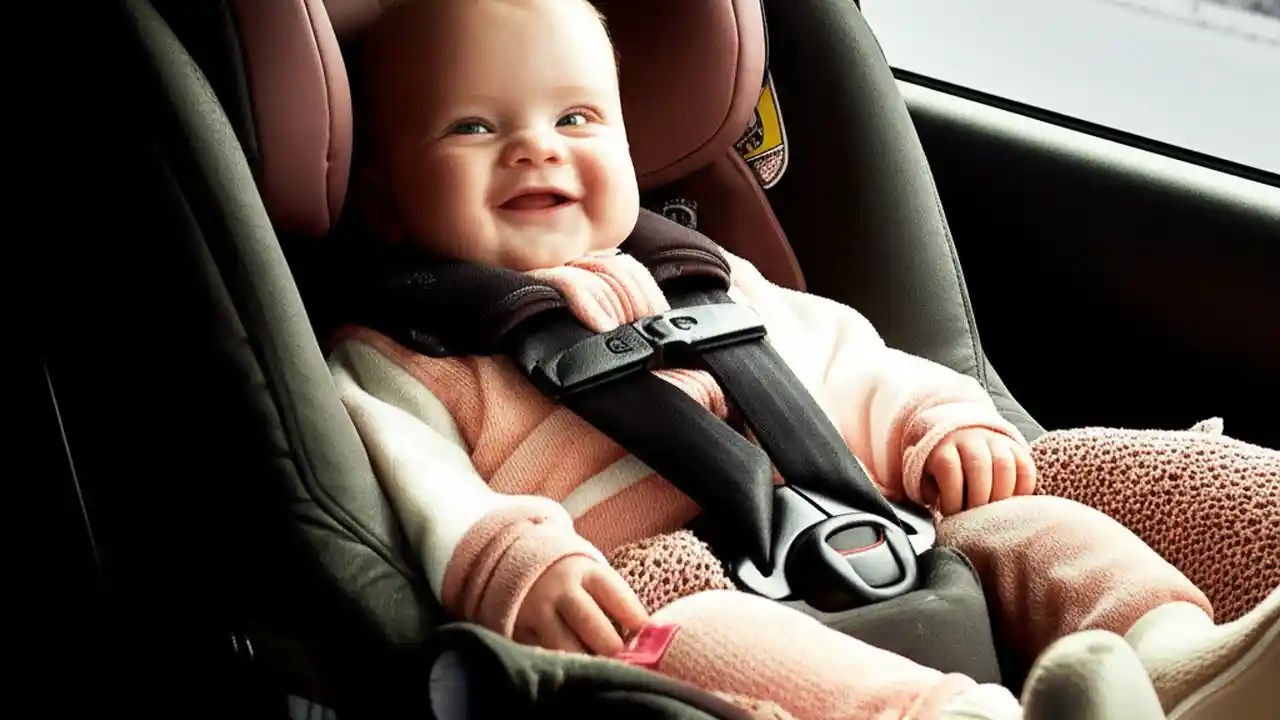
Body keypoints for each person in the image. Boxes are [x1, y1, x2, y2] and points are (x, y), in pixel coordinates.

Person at [324, 0, 1280, 718]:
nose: (535, 149)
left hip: (863, 521)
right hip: (653, 578)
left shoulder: (698, 275)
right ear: (383, 195)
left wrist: (934, 425)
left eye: (576, 120)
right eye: (475, 127)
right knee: (698, 642)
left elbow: (842, 362)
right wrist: (515, 561)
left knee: (1044, 530)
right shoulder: (404, 350)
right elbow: (418, 476)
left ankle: (1176, 665)